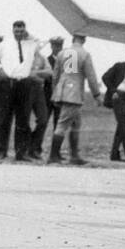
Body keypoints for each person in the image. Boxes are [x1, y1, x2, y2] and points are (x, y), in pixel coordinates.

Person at [0, 20, 48, 162]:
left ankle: (21, 153)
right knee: (4, 119)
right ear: (12, 30)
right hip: (8, 83)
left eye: (22, 31)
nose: (19, 33)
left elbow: (41, 42)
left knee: (23, 120)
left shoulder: (30, 44)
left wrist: (28, 35)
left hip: (24, 84)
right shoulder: (5, 45)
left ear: (25, 31)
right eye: (16, 30)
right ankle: (1, 151)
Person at [50, 33, 102, 164]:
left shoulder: (62, 53)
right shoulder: (84, 54)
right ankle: (53, 156)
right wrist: (96, 94)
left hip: (63, 92)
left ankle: (74, 156)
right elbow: (91, 76)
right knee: (62, 125)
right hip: (74, 94)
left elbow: (55, 75)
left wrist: (55, 93)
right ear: (84, 39)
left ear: (73, 38)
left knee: (76, 123)